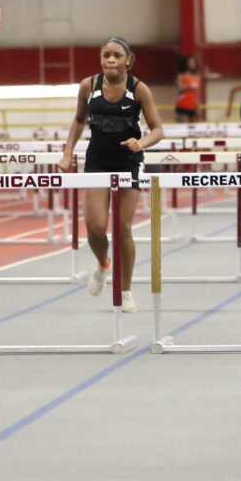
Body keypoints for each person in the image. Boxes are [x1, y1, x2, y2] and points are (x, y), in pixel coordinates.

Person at [56, 37, 164, 313]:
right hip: (98, 160)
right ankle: (103, 263)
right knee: (95, 226)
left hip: (128, 161)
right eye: (106, 55)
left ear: (128, 60)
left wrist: (141, 142)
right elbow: (79, 120)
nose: (111, 60)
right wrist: (67, 153)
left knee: (123, 227)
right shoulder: (88, 86)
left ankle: (126, 291)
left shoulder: (139, 89)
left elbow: (158, 129)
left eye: (117, 55)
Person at [174, 55, 203, 123]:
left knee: (195, 127)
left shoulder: (197, 77)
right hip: (183, 105)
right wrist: (188, 88)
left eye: (193, 62)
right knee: (183, 127)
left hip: (193, 106)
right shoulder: (181, 75)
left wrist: (198, 107)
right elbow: (179, 89)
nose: (192, 64)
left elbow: (198, 94)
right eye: (190, 62)